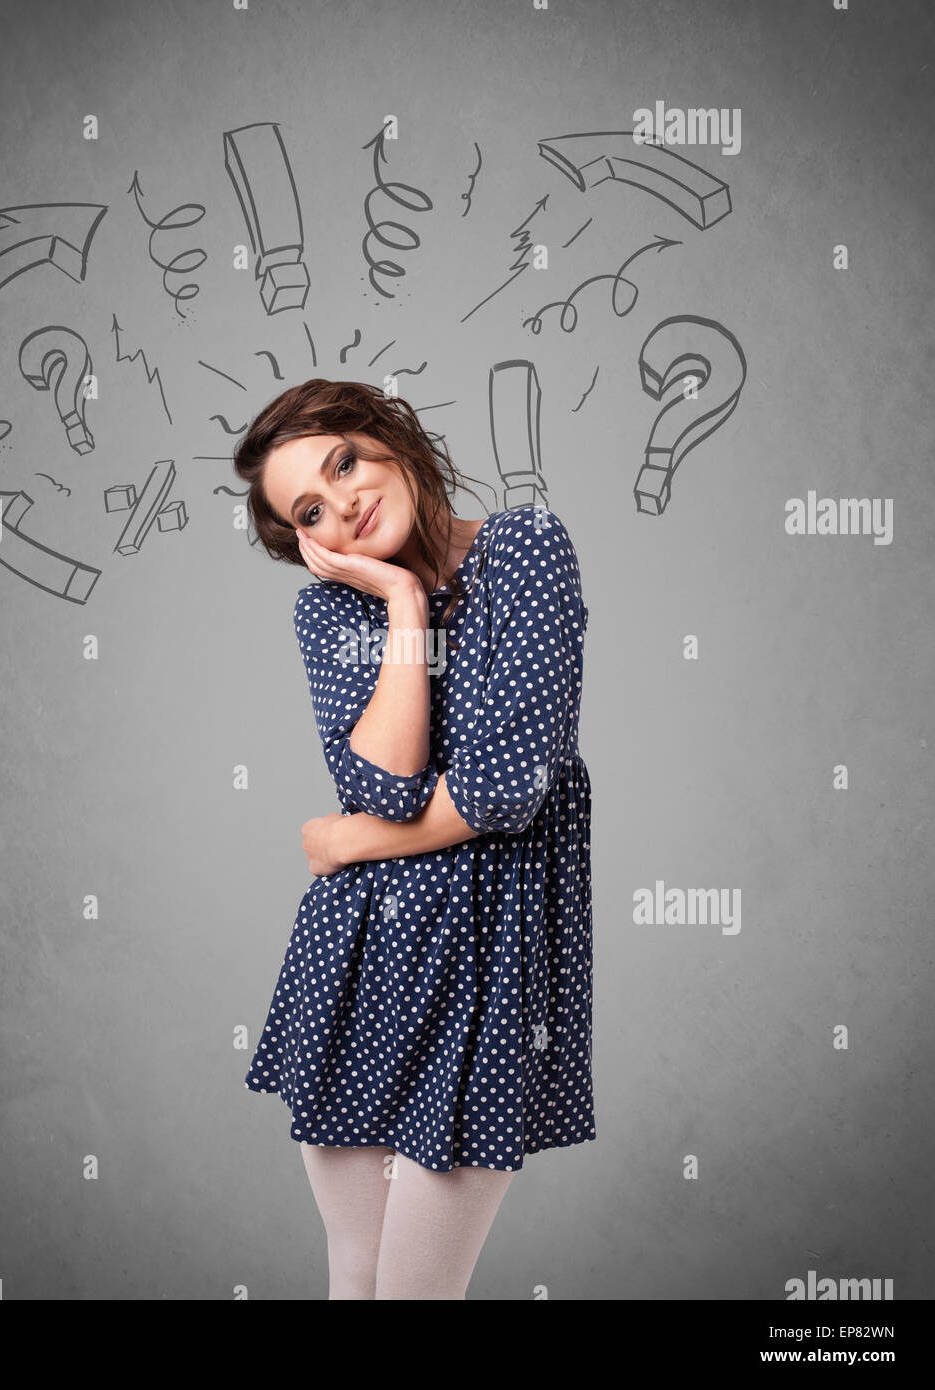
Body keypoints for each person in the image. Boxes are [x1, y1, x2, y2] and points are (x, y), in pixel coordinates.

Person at [233, 379, 594, 1299]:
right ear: (307, 543)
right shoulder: (332, 612)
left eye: (344, 461)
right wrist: (398, 598)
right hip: (357, 958)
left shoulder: (525, 547)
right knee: (355, 1277)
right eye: (312, 508)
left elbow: (511, 792)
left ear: (389, 436)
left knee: (414, 1294)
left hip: (492, 955)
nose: (344, 501)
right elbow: (381, 789)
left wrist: (350, 845)